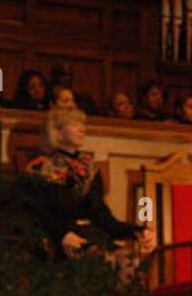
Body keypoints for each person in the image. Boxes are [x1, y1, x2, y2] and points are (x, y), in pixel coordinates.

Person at [23, 109, 154, 284]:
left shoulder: (89, 169)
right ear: (58, 132)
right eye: (74, 124)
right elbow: (38, 212)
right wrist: (62, 235)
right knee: (98, 259)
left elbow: (102, 217)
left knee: (128, 259)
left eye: (83, 124)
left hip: (91, 235)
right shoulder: (40, 168)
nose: (82, 129)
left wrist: (137, 231)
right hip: (56, 238)